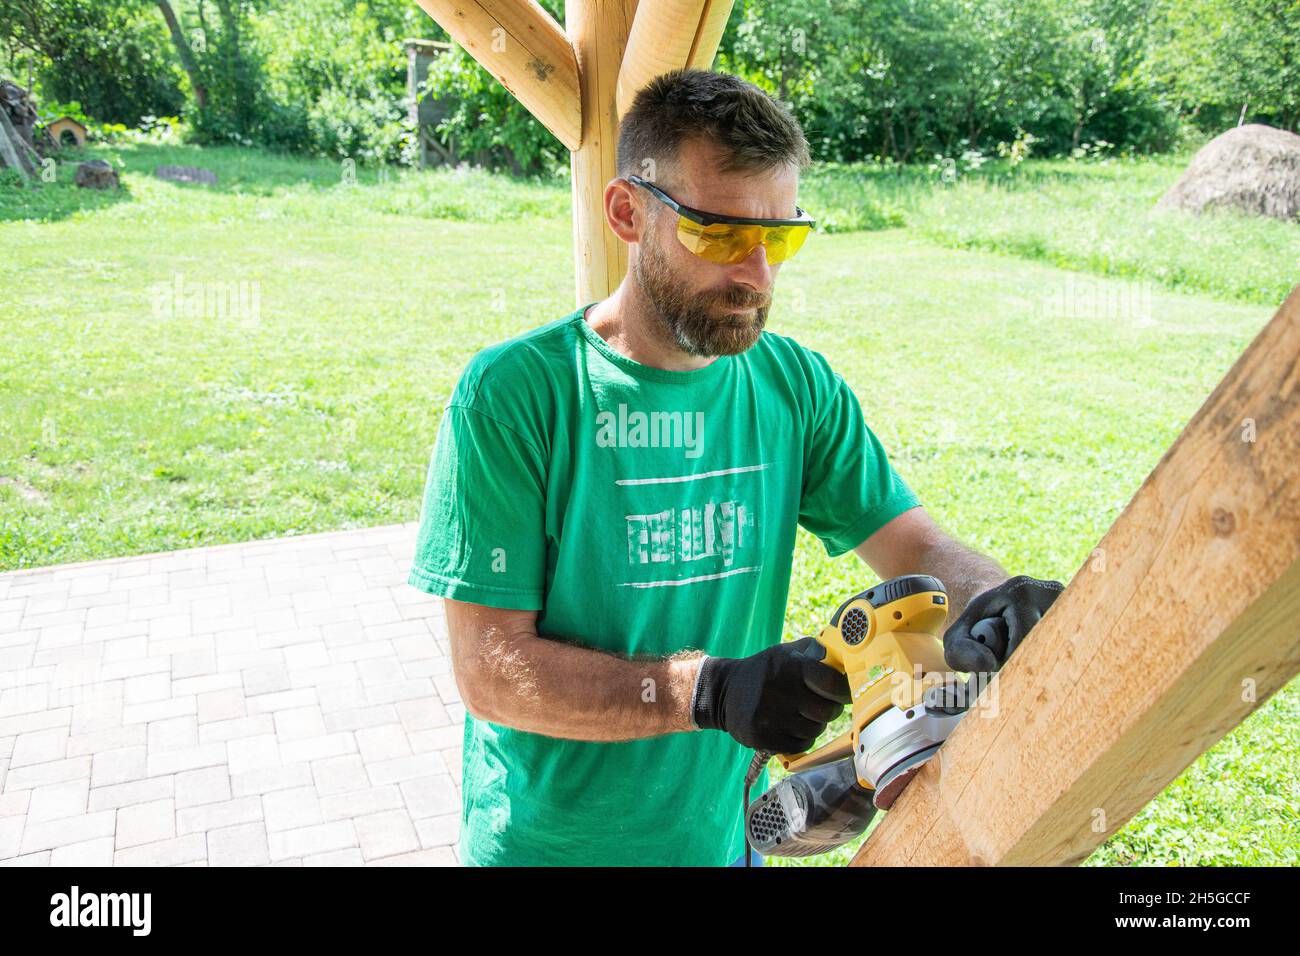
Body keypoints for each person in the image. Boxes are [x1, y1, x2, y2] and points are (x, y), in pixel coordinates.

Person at [407, 69, 1062, 866]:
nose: (756, 274)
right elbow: (491, 672)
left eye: (779, 237)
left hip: (726, 843)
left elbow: (916, 549)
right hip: (550, 850)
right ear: (628, 212)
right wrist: (707, 691)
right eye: (719, 235)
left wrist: (995, 595)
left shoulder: (796, 387)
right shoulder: (515, 396)